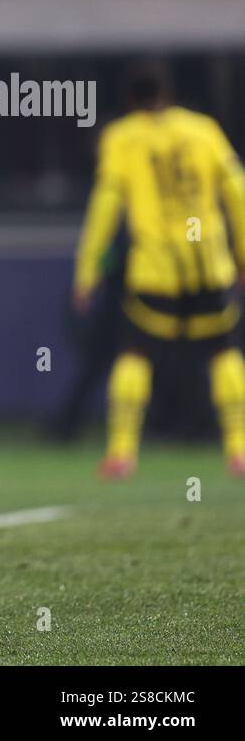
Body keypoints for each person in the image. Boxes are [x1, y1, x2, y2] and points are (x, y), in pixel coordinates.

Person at [74, 60, 245, 479]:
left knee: (135, 352)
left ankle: (121, 452)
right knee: (222, 352)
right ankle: (239, 449)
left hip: (154, 271)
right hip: (209, 266)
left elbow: (105, 206)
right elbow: (238, 191)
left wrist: (87, 272)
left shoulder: (122, 138)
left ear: (129, 99)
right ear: (166, 95)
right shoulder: (203, 130)